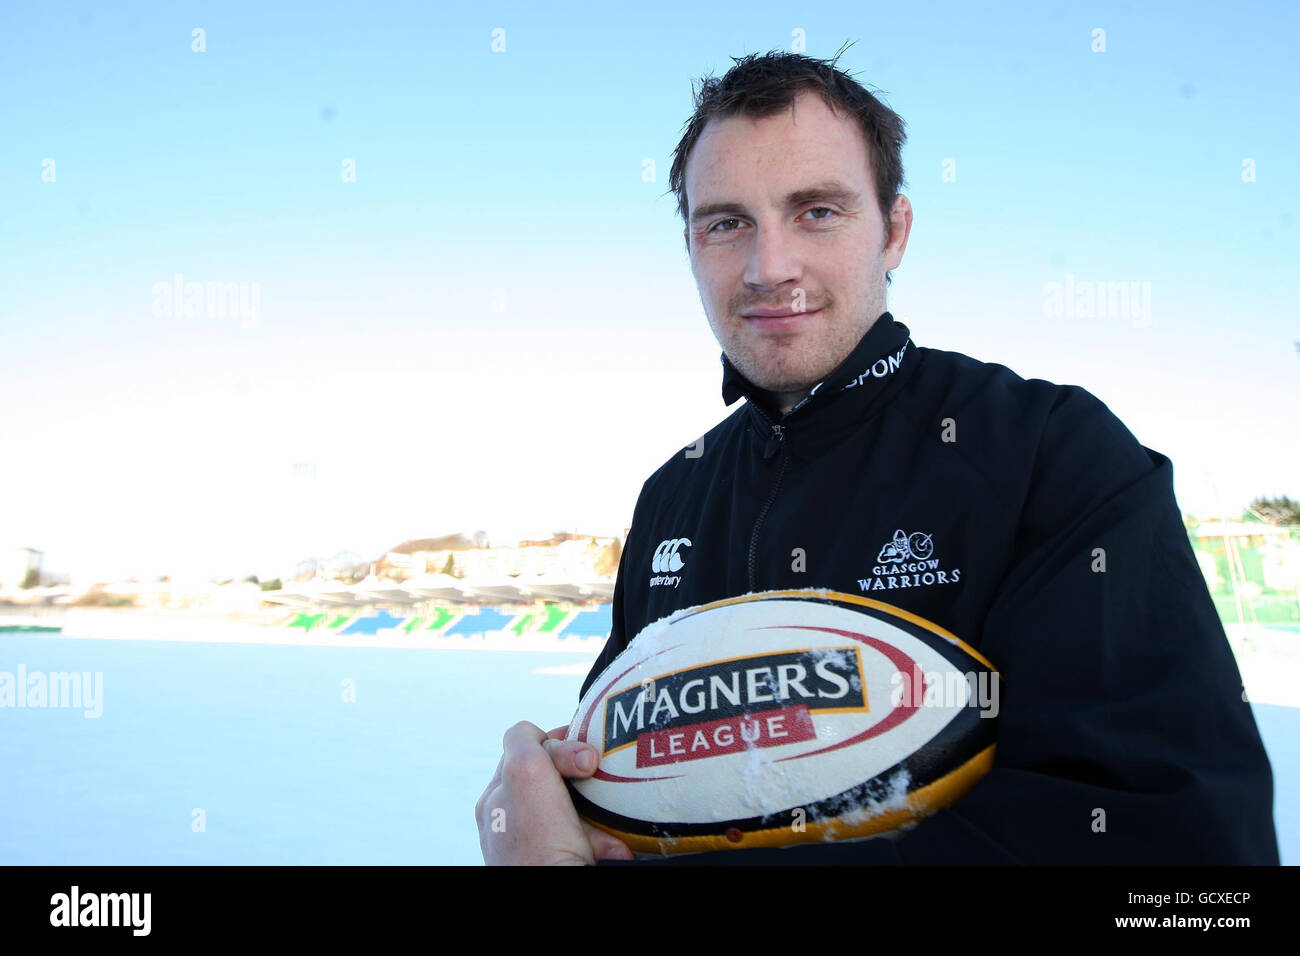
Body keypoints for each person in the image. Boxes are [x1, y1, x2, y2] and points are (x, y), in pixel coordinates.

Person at [475, 49, 1279, 865]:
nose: (769, 267)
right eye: (725, 223)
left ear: (894, 231)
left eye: (816, 211)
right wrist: (554, 794)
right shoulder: (673, 493)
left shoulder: (1049, 448)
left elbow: (1187, 859)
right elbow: (632, 773)